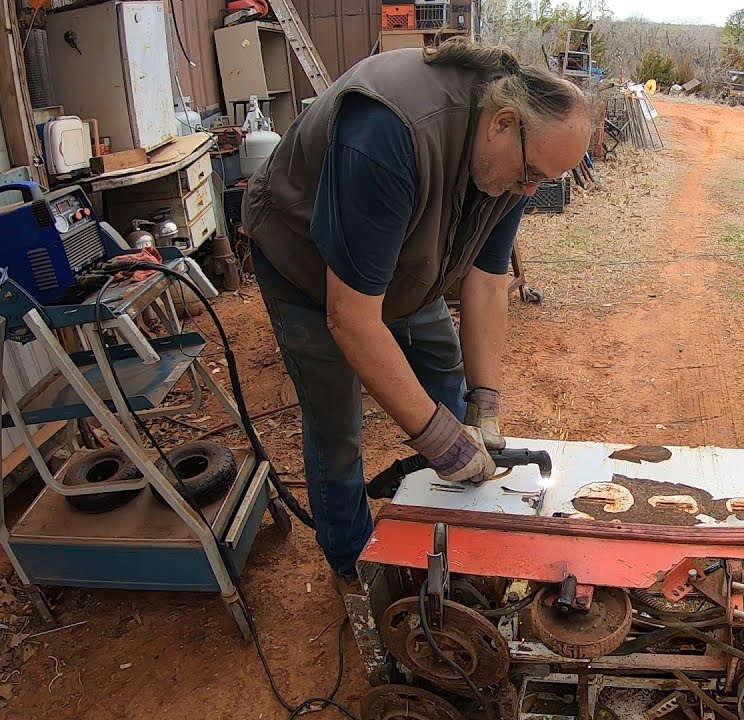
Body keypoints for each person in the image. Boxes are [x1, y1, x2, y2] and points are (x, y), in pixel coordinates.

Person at [240, 38, 591, 587]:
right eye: (530, 175)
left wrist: (486, 405)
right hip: (309, 264)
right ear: (502, 122)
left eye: (542, 181)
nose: (529, 190)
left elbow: (487, 280)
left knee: (446, 384)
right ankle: (354, 564)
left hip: (407, 263)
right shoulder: (390, 132)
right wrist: (438, 440)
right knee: (338, 424)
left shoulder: (515, 157)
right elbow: (352, 317)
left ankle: (449, 528)